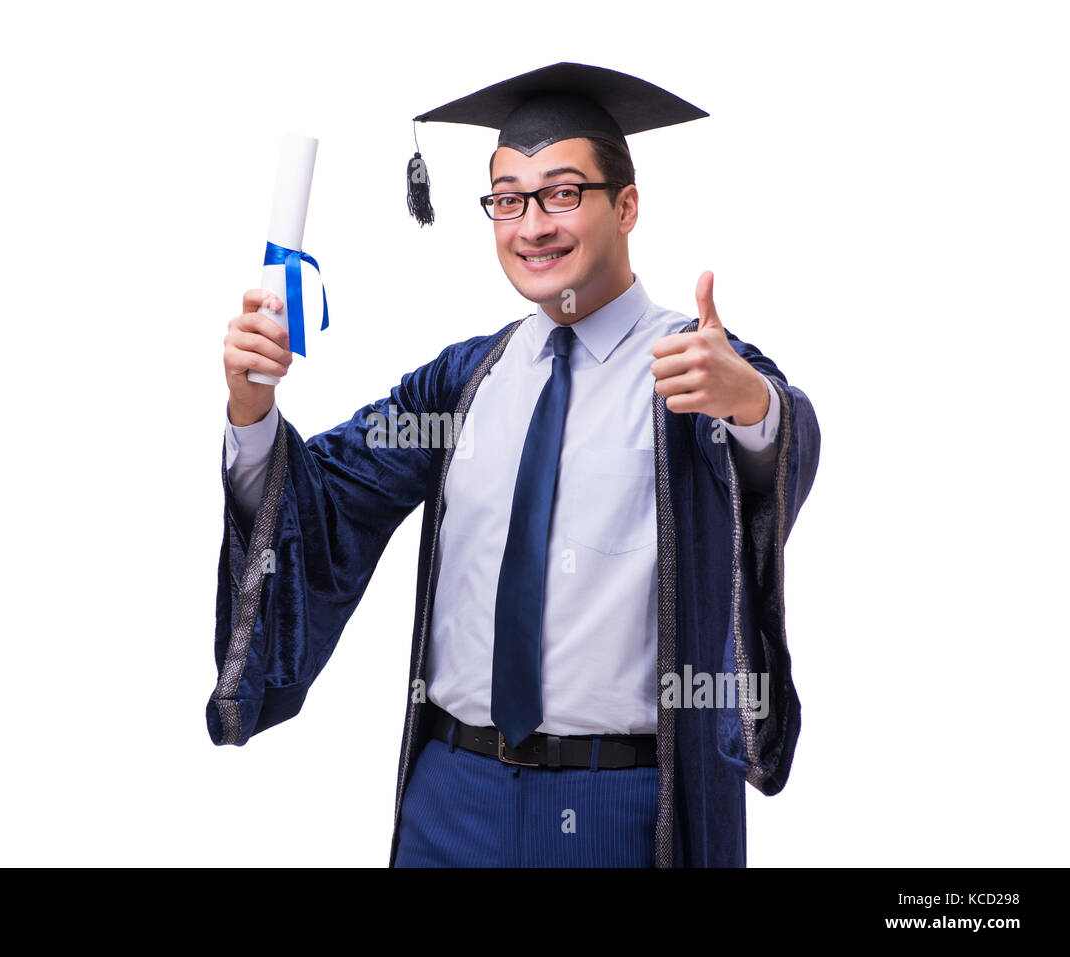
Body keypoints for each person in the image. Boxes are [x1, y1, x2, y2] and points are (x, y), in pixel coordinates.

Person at [210, 62, 820, 867]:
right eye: (507, 197)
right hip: (450, 798)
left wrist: (750, 405)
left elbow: (777, 443)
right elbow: (322, 499)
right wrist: (253, 413)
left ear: (626, 205)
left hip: (623, 806)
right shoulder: (462, 383)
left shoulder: (692, 369)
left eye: (562, 193)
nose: (532, 225)